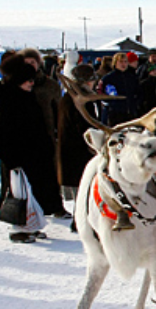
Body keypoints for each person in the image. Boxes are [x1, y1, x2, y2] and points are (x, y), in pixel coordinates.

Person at [0, 53, 67, 240]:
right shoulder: (9, 99)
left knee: (32, 193)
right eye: (27, 80)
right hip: (19, 156)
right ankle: (19, 229)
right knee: (20, 195)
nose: (31, 83)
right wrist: (11, 159)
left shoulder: (26, 96)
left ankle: (31, 226)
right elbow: (3, 132)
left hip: (34, 154)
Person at [57, 64, 98, 206]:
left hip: (73, 150)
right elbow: (84, 127)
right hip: (79, 151)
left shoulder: (70, 98)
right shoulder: (80, 100)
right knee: (83, 188)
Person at [98, 52, 141, 125]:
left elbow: (139, 92)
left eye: (125, 62)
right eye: (121, 61)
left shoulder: (132, 77)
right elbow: (100, 93)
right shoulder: (108, 78)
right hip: (114, 114)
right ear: (115, 62)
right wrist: (110, 103)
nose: (123, 64)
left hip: (130, 113)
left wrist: (136, 104)